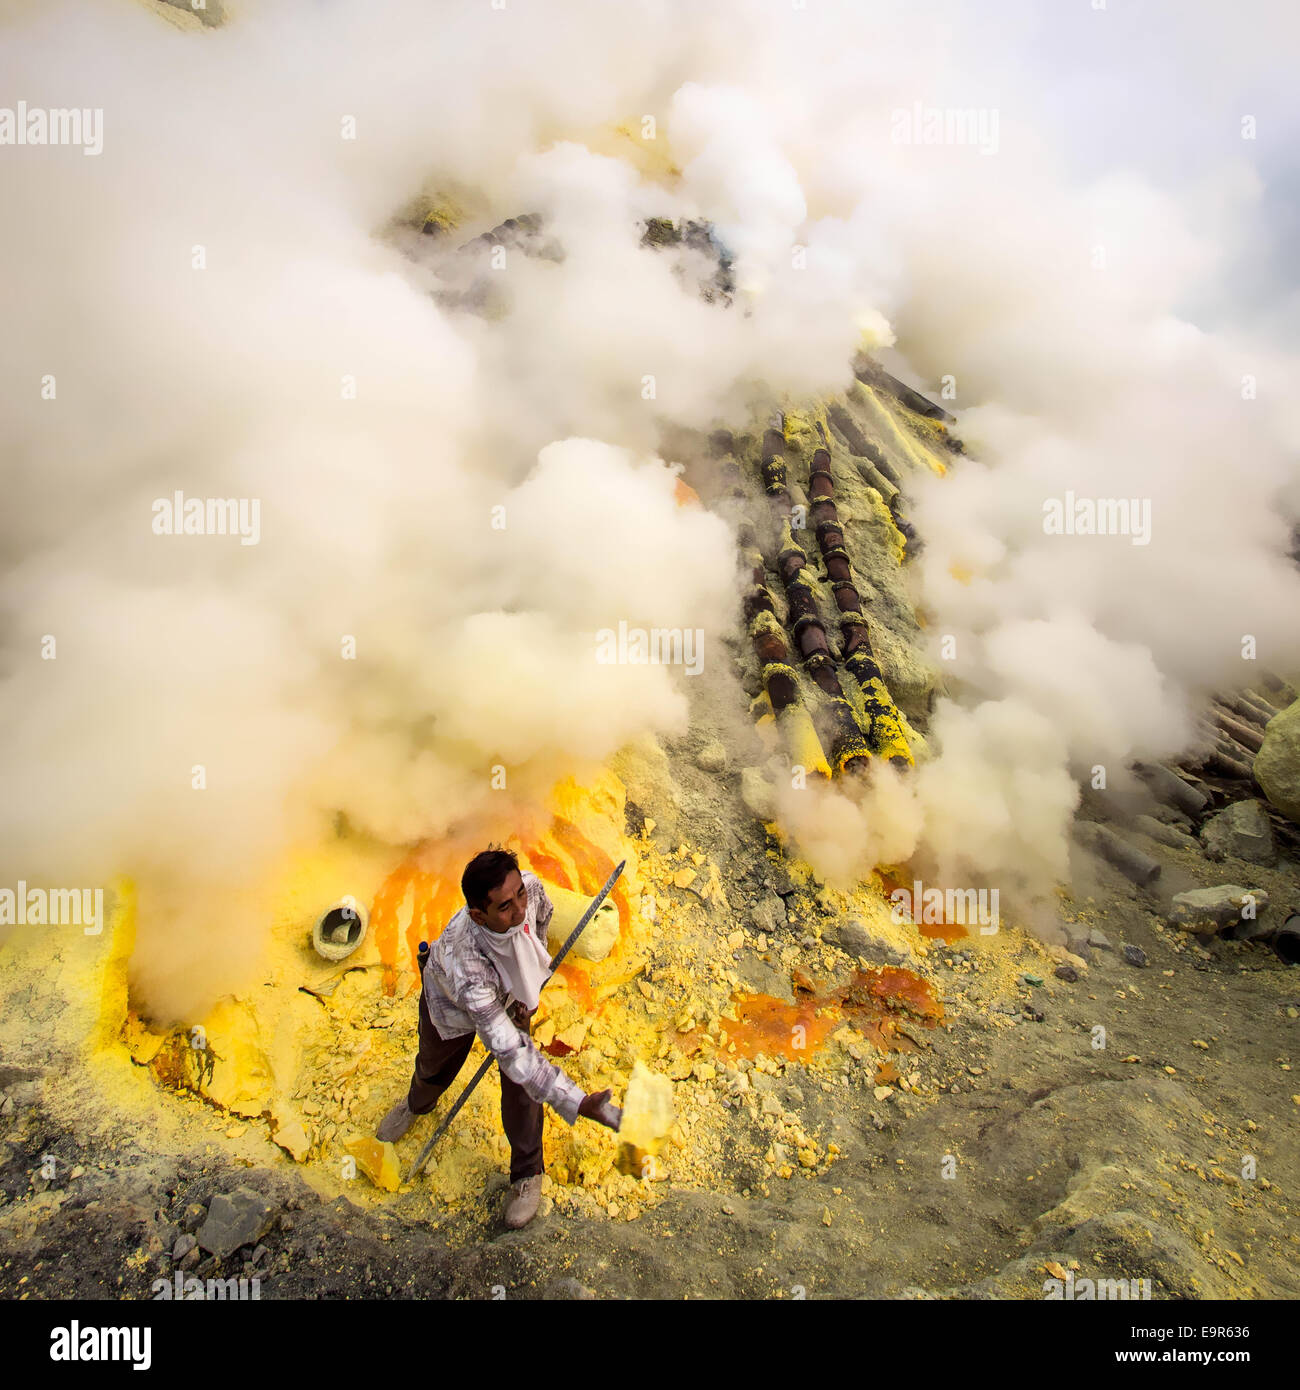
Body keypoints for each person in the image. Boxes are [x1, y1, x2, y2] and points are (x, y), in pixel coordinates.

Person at [376, 846, 621, 1228]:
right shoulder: (467, 965)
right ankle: (417, 1104)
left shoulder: (532, 893)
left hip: (507, 999)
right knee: (433, 1064)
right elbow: (509, 1050)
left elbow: (539, 922)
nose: (519, 909)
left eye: (519, 893)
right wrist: (577, 1102)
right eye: (505, 907)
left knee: (522, 1091)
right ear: (479, 915)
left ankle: (527, 1174)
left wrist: (527, 984)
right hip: (454, 1008)